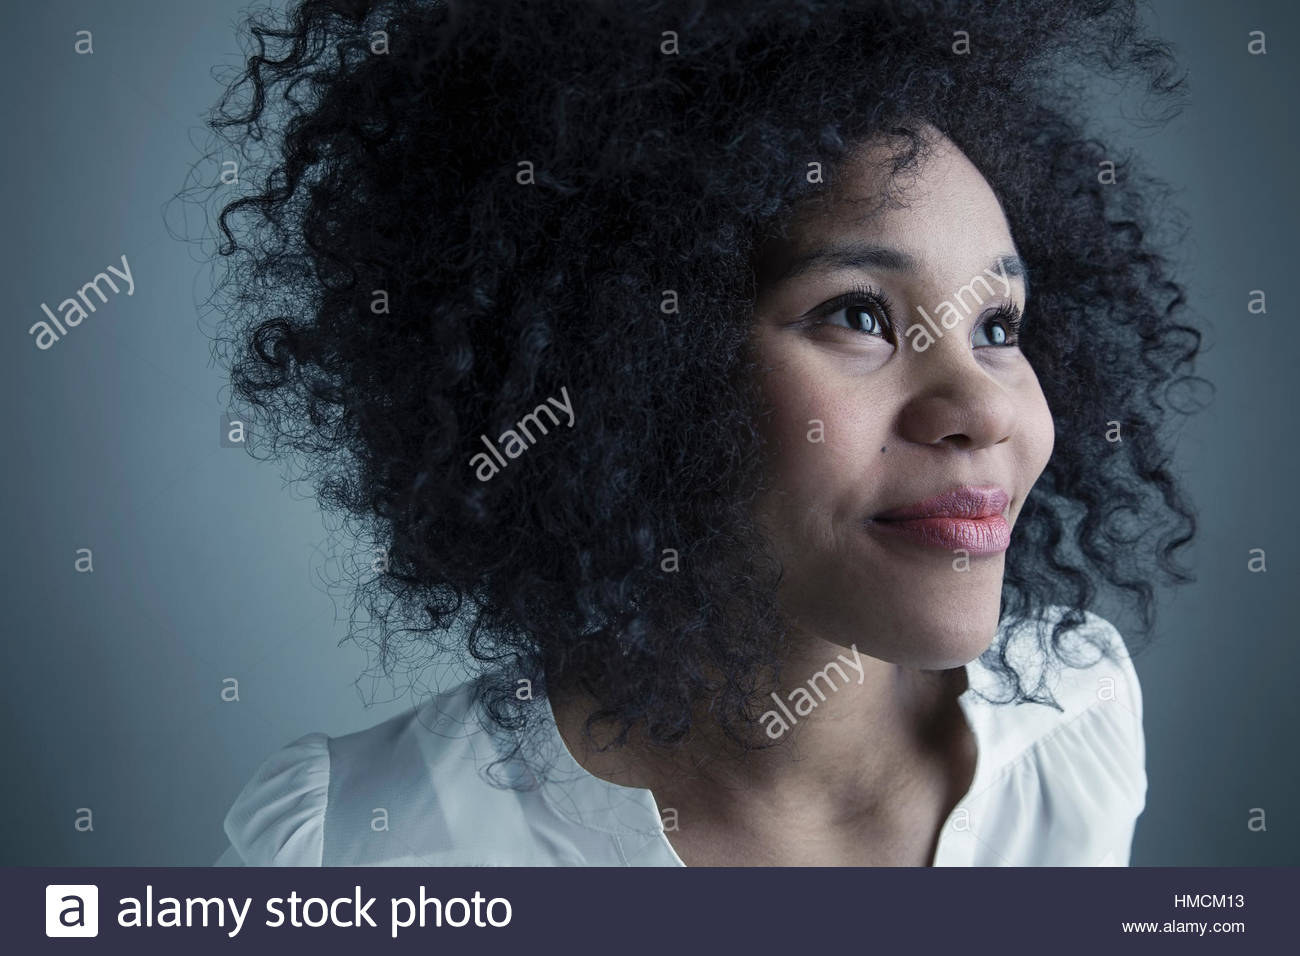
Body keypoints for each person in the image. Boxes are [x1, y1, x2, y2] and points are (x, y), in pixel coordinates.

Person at [202, 0, 1203, 866]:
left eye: (997, 327)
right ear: (630, 364)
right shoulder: (358, 846)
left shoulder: (1071, 718)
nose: (983, 409)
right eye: (857, 314)